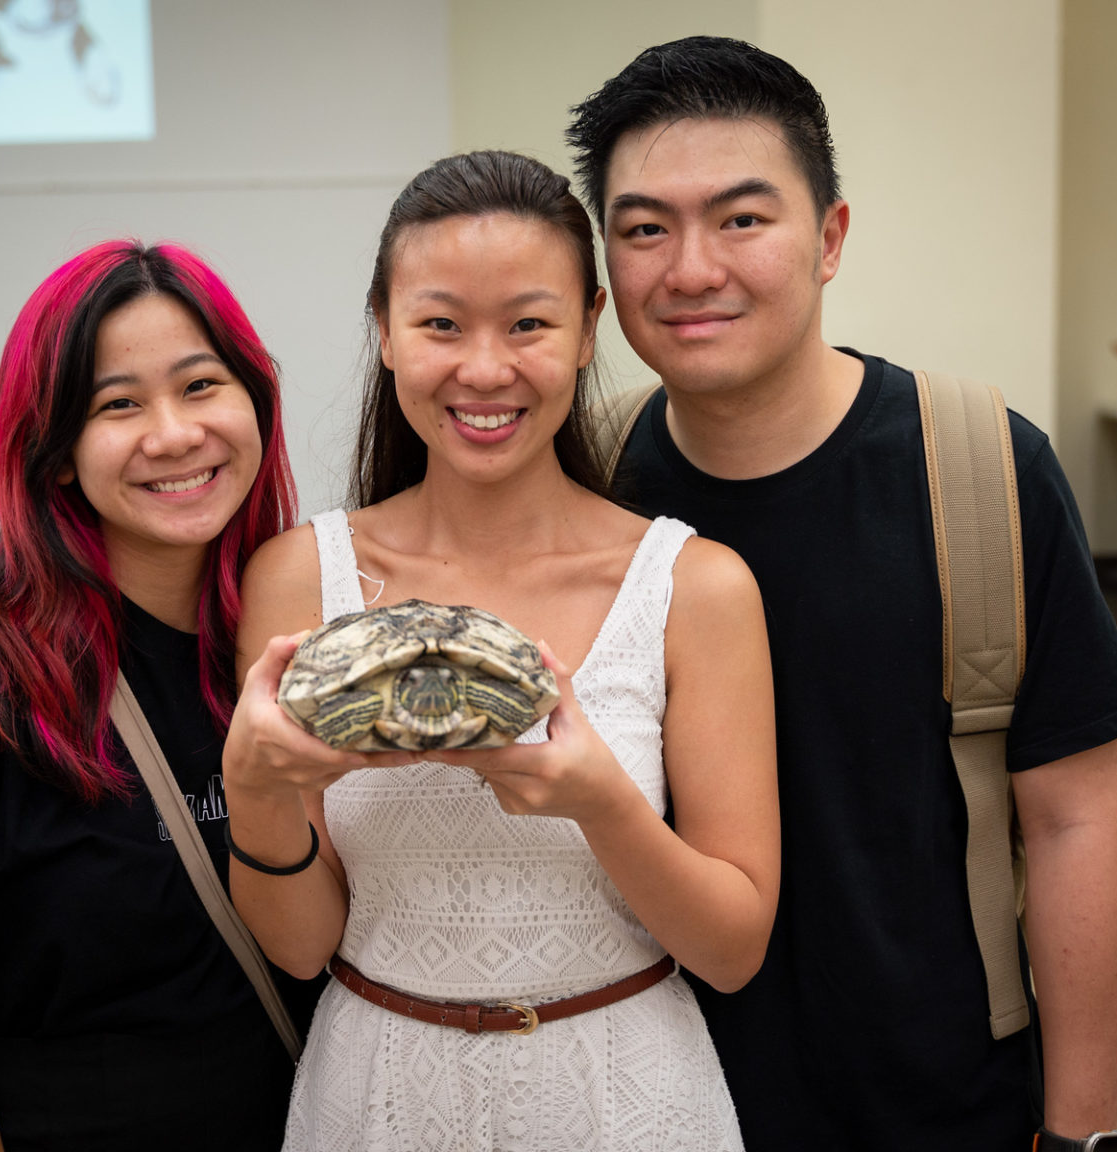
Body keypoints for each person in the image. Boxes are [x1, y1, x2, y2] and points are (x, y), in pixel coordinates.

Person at [565, 35, 1117, 1152]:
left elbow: (1074, 822)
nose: (691, 269)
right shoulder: (584, 490)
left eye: (743, 219)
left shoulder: (979, 471)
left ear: (830, 237)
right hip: (647, 1102)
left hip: (939, 1105)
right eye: (645, 228)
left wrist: (1083, 1137)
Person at [220, 150, 778, 1152]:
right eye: (441, 324)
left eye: (528, 323)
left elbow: (734, 949)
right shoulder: (301, 578)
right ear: (385, 333)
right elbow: (301, 947)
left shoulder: (695, 587)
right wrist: (256, 784)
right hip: (378, 1093)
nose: (484, 369)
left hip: (625, 1097)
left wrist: (597, 798)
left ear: (587, 331)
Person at [0, 240, 315, 1150]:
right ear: (56, 453)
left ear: (256, 404)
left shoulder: (302, 634)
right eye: (119, 405)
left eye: (201, 386)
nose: (174, 435)